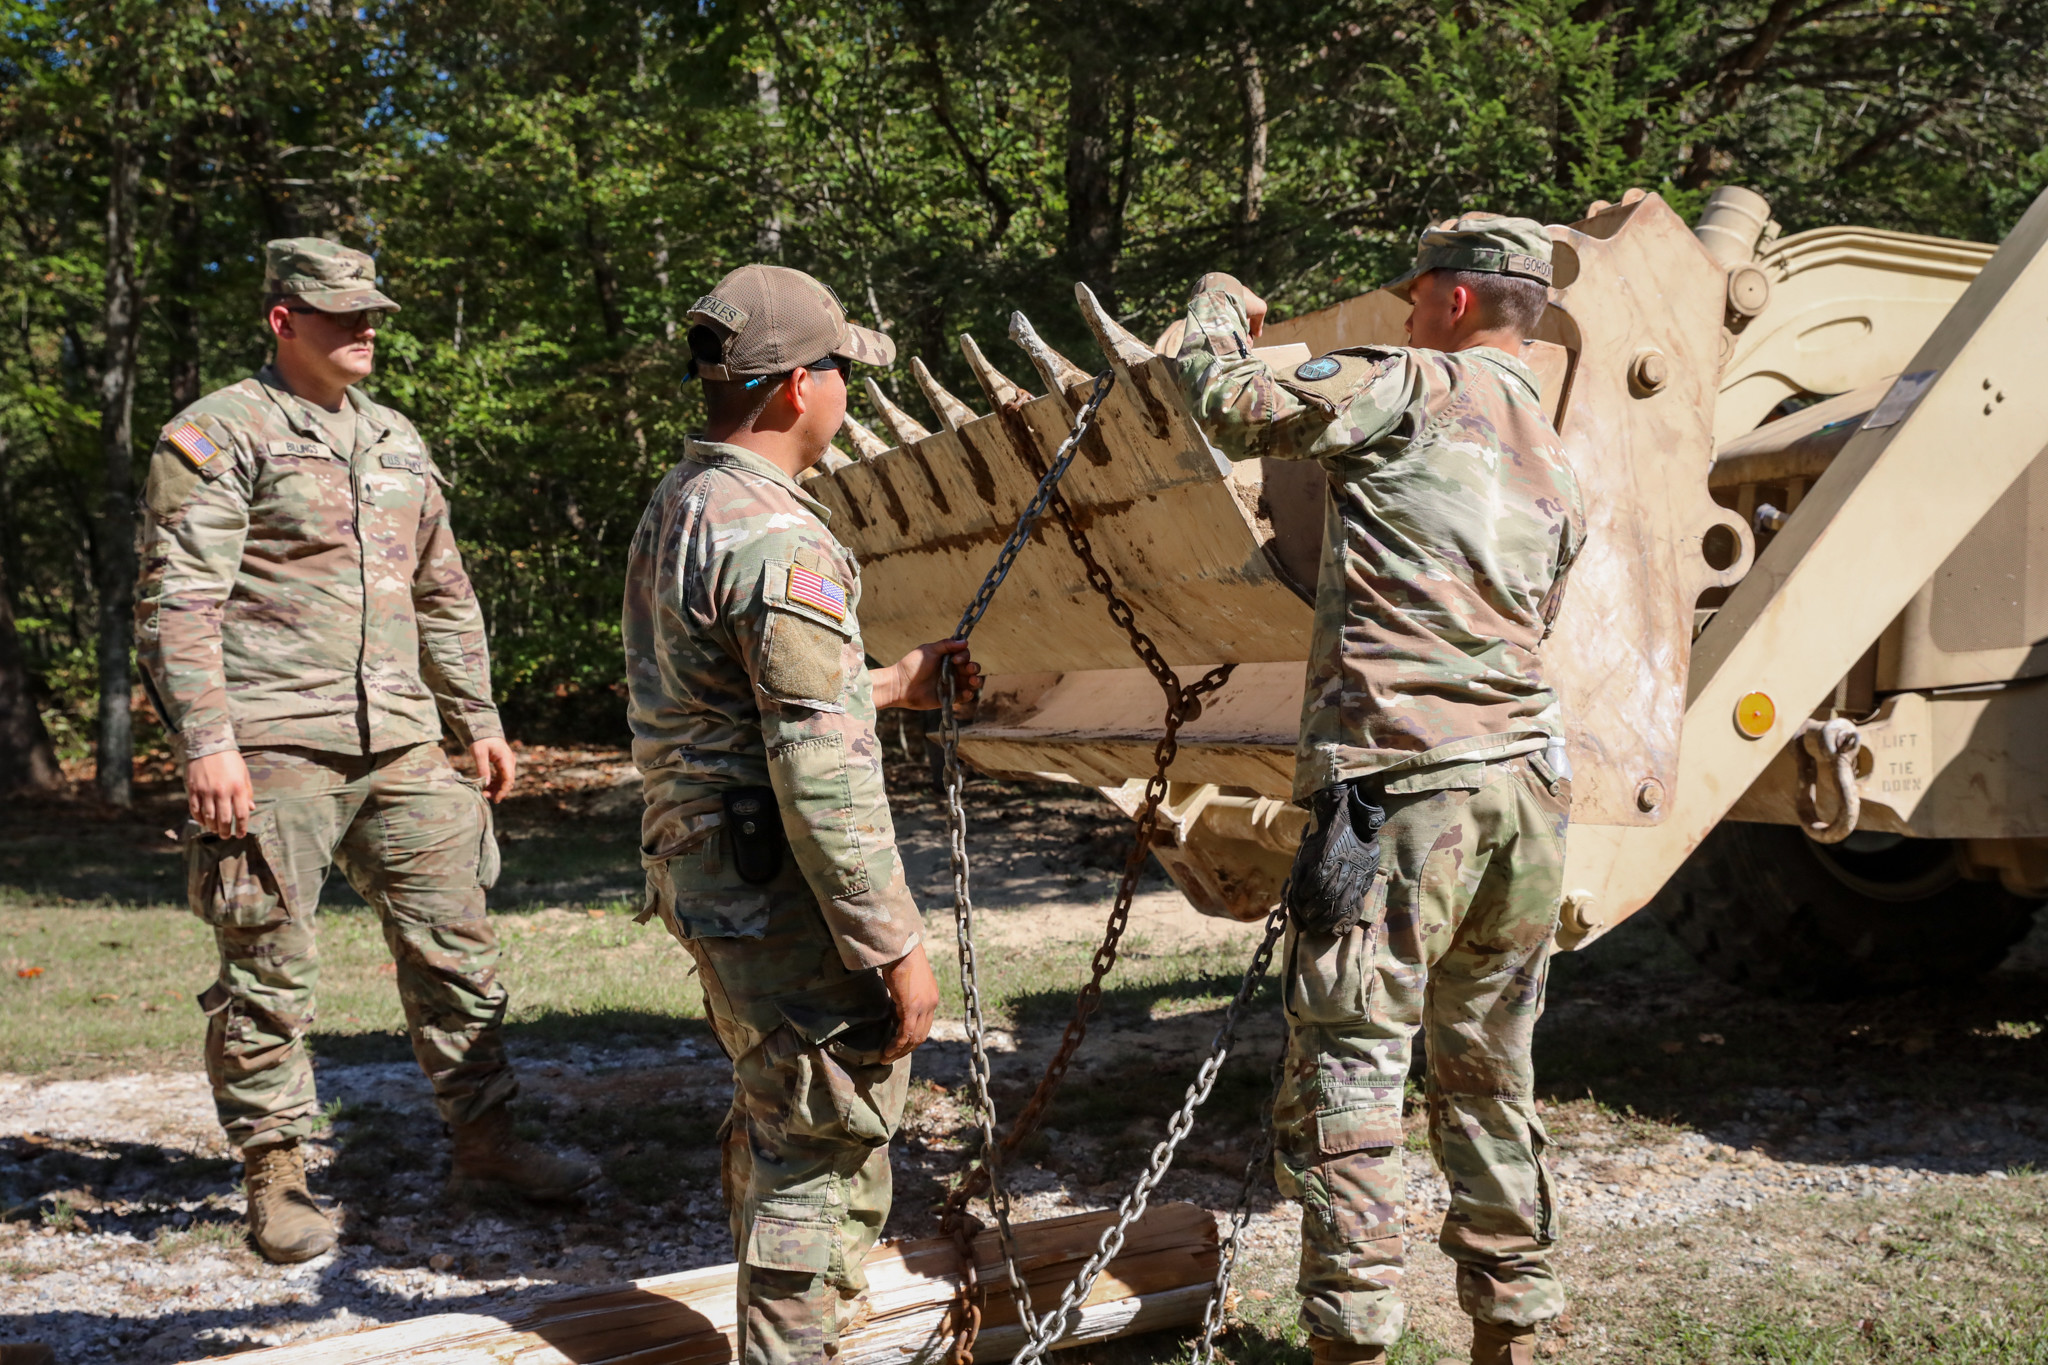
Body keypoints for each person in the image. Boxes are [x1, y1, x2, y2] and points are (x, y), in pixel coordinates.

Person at [1172, 215, 1585, 1365]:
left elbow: (1224, 401)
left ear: (1454, 301)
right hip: (1523, 796)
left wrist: (1215, 307)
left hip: (1402, 797)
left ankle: (1350, 1341)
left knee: (1351, 1072)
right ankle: (1512, 1325)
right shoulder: (1558, 456)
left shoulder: (1408, 383)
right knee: (1490, 1072)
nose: (1403, 314)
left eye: (1414, 295)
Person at [136, 238, 593, 1265]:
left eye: (371, 313)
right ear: (282, 321)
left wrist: (475, 720)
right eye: (340, 315)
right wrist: (208, 742)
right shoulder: (220, 433)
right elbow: (179, 602)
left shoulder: (395, 439)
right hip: (273, 743)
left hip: (402, 743)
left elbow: (443, 590)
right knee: (268, 969)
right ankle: (277, 1176)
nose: (364, 330)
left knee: (458, 953)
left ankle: (487, 1145)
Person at [622, 264, 977, 1365]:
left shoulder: (685, 505)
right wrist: (893, 945)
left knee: (778, 1114)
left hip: (704, 864)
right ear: (789, 387)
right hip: (778, 888)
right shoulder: (783, 539)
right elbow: (818, 773)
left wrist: (892, 681)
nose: (845, 395)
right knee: (824, 1145)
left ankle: (796, 1332)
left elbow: (728, 695)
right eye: (836, 372)